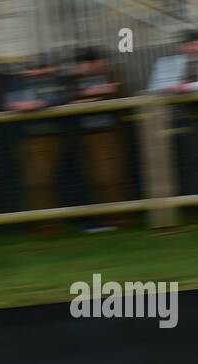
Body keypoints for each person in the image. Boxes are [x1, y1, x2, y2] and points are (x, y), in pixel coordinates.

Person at [148, 29, 198, 196]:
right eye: (189, 44)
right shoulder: (167, 63)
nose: (193, 47)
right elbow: (154, 87)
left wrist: (189, 87)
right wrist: (172, 89)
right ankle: (196, 201)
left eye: (197, 42)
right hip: (179, 120)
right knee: (187, 161)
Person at [69, 46, 129, 229]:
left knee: (110, 175)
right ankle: (102, 217)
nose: (87, 66)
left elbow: (117, 92)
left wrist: (88, 96)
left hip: (108, 132)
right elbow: (69, 97)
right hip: (84, 134)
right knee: (92, 177)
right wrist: (95, 93)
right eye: (84, 62)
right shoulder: (75, 78)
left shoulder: (112, 72)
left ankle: (117, 217)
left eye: (91, 61)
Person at [3, 56, 68, 214]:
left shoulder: (54, 80)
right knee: (31, 181)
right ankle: (38, 220)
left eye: (41, 67)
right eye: (34, 68)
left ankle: (49, 220)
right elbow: (7, 102)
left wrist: (42, 104)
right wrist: (18, 106)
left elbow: (63, 96)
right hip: (25, 138)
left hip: (48, 136)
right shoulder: (19, 83)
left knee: (43, 180)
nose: (37, 71)